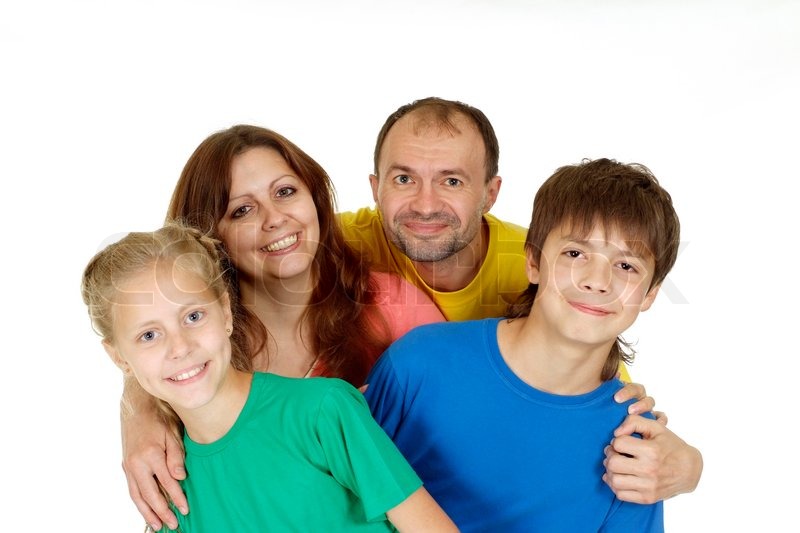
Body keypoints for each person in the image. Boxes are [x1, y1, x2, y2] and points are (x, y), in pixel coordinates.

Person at [340, 96, 702, 503]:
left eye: (452, 181)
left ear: (490, 193)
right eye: (404, 179)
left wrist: (689, 464)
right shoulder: (330, 247)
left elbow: (590, 383)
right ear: (375, 187)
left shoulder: (547, 265)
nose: (425, 205)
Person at [120, 125, 446, 530]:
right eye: (242, 210)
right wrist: (138, 411)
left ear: (315, 196)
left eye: (285, 191)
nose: (275, 219)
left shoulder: (393, 307)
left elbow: (468, 423)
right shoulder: (200, 361)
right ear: (207, 240)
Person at [82, 223, 458, 532]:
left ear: (226, 312)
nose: (179, 347)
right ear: (119, 358)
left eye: (193, 317)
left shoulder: (323, 411)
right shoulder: (168, 487)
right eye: (149, 335)